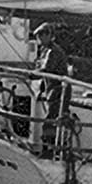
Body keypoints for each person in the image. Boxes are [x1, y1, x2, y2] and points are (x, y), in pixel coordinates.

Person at [33, 22, 70, 157]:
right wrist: (41, 90)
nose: (39, 39)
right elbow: (45, 76)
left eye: (42, 35)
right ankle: (50, 148)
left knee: (51, 121)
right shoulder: (45, 51)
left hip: (59, 90)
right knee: (51, 120)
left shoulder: (54, 51)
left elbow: (47, 70)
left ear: (49, 35)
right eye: (38, 36)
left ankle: (49, 151)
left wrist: (31, 74)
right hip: (51, 89)